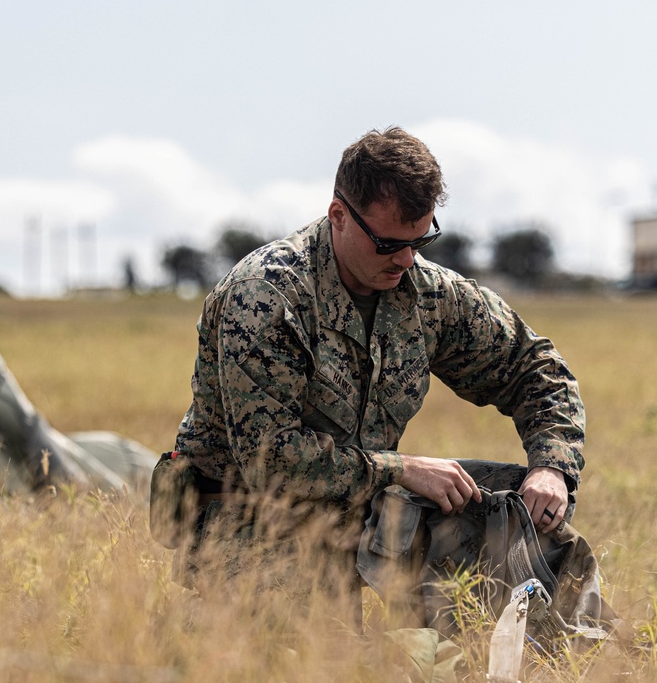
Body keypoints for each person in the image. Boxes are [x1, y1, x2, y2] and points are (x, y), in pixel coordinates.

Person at [169, 126, 584, 607]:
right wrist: (399, 469)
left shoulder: (427, 294)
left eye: (421, 240)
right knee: (324, 669)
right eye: (388, 244)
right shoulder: (268, 295)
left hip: (367, 518)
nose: (407, 259)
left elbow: (535, 370)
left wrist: (552, 470)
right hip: (248, 528)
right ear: (339, 216)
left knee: (519, 507)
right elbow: (270, 460)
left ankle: (560, 652)